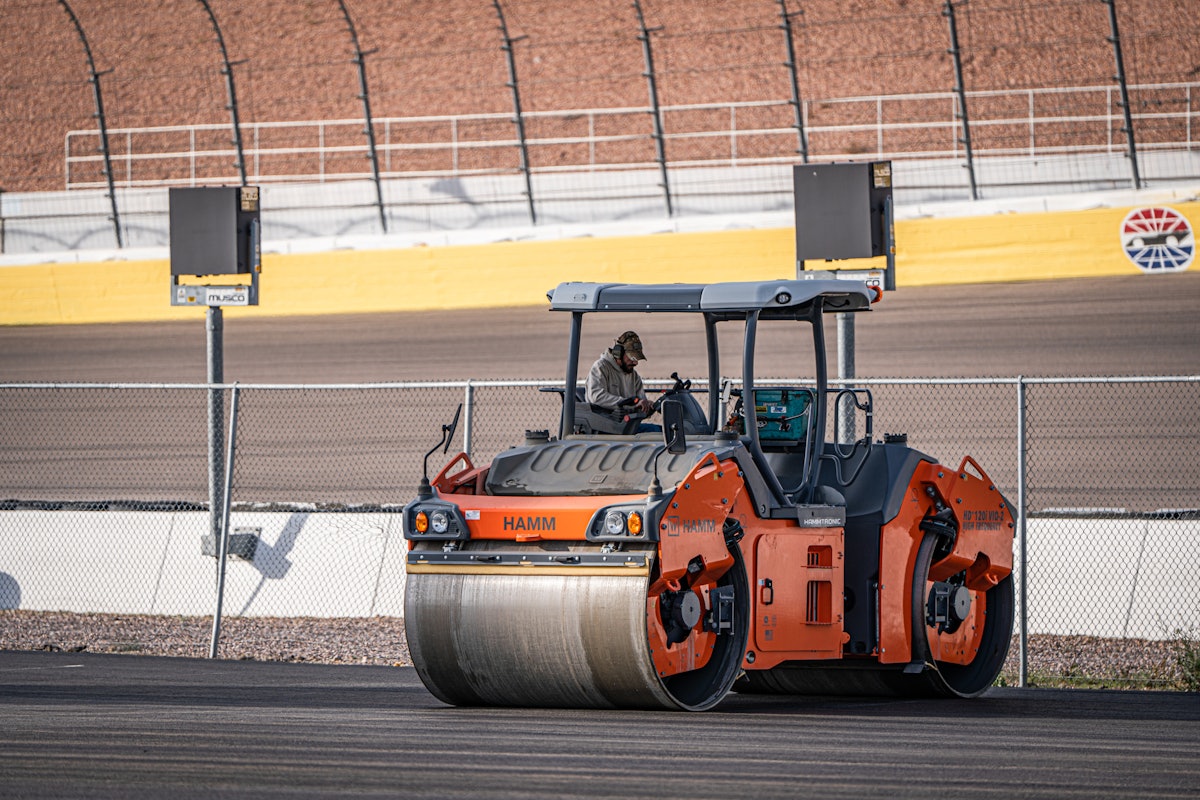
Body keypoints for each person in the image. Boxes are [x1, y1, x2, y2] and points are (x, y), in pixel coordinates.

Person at [586, 331, 655, 419]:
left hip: (627, 424)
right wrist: (627, 403)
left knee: (659, 428)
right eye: (632, 358)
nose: (635, 363)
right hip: (604, 423)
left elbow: (640, 403)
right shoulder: (601, 367)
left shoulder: (634, 376)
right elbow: (596, 397)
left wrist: (647, 406)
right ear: (618, 353)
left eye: (637, 359)